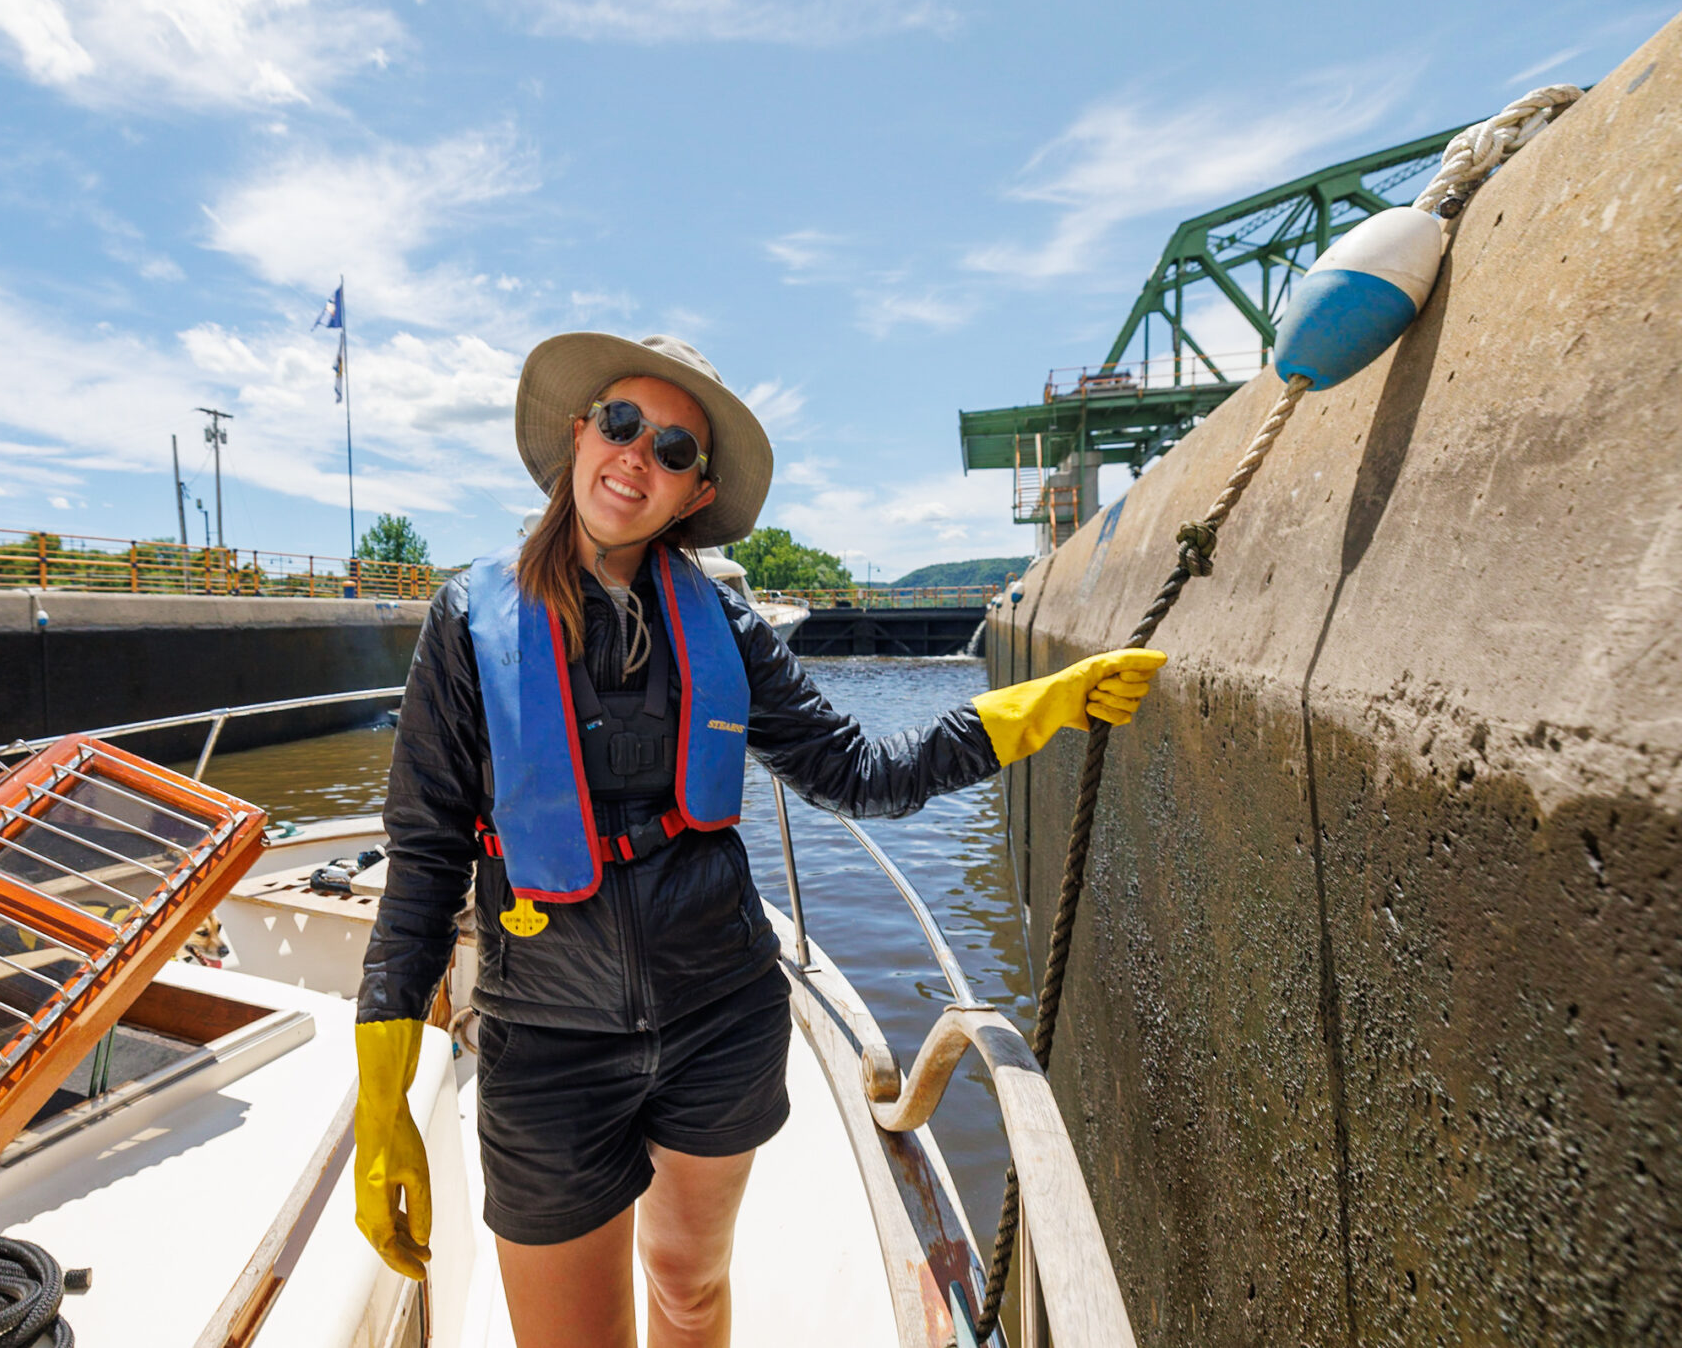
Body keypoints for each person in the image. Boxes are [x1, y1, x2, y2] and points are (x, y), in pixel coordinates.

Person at [352, 333, 1164, 1348]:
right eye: (620, 424)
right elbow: (424, 860)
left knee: (690, 1290)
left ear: (694, 495)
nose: (638, 455)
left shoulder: (723, 623)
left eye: (675, 449)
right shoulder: (468, 619)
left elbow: (856, 772)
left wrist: (1019, 713)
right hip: (546, 1046)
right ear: (575, 436)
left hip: (720, 1019)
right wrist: (383, 1101)